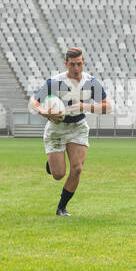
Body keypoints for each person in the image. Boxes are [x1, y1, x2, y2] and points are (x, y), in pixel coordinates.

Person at [29, 47, 111, 217]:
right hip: (57, 128)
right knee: (58, 174)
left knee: (77, 169)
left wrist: (84, 106)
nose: (76, 68)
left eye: (79, 64)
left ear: (83, 63)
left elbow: (108, 107)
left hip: (78, 127)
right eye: (72, 64)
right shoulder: (55, 82)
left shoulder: (91, 83)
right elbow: (33, 102)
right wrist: (45, 112)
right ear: (66, 64)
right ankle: (52, 164)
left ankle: (62, 208)